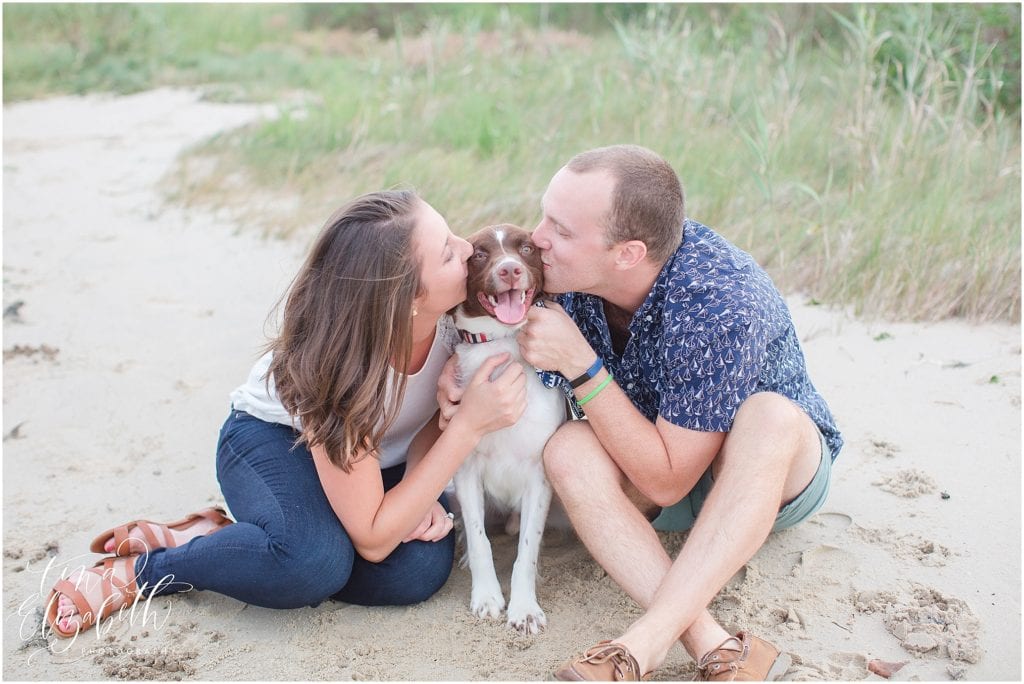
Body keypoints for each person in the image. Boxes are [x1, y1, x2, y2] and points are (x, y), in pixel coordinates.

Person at [47, 189, 527, 637]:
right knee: (312, 564)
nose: (467, 249)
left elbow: (426, 424)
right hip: (273, 443)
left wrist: (415, 494)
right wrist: (467, 428)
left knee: (417, 570)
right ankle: (149, 568)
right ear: (405, 303)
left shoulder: (459, 323)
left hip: (381, 461)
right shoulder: (338, 369)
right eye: (446, 252)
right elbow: (378, 540)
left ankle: (248, 545)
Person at [441, 145, 842, 681]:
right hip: (643, 472)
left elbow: (670, 480)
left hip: (760, 479)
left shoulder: (720, 301)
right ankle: (713, 643)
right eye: (544, 216)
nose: (538, 239)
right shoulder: (565, 277)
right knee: (566, 450)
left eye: (559, 228)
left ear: (627, 253)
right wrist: (454, 377)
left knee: (769, 416)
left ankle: (646, 642)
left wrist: (581, 365)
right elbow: (465, 313)